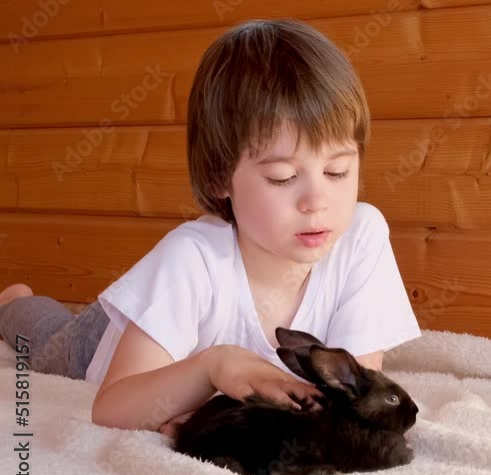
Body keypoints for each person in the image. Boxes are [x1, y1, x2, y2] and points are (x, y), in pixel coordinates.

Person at [0, 19, 421, 438]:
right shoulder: (191, 259)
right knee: (49, 342)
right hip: (109, 336)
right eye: (282, 177)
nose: (317, 201)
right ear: (221, 177)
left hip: (166, 309)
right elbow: (111, 408)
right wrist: (211, 366)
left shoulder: (362, 236)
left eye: (337, 170)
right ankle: (14, 301)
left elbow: (356, 391)